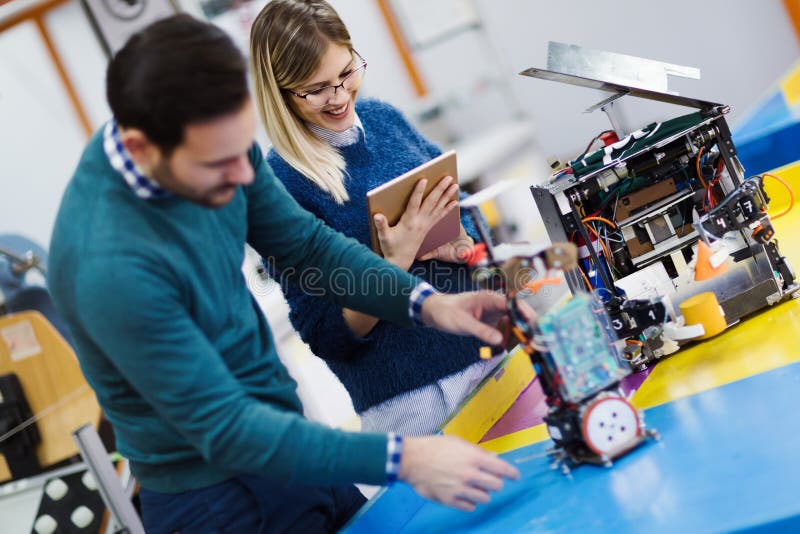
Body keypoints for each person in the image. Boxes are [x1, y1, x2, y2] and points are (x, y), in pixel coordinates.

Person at [48, 14, 520, 533]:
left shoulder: (211, 139)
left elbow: (308, 247)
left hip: (294, 446)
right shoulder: (109, 268)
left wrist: (427, 303)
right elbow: (226, 428)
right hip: (212, 496)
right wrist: (405, 460)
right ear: (142, 150)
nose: (246, 176)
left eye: (244, 148)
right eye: (222, 166)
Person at [250, 0, 504, 436]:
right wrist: (393, 264)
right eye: (317, 88)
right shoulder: (281, 185)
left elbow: (471, 221)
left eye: (347, 72)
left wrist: (460, 241)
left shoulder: (384, 119)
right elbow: (324, 333)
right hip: (417, 404)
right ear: (281, 93)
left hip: (489, 353)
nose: (340, 96)